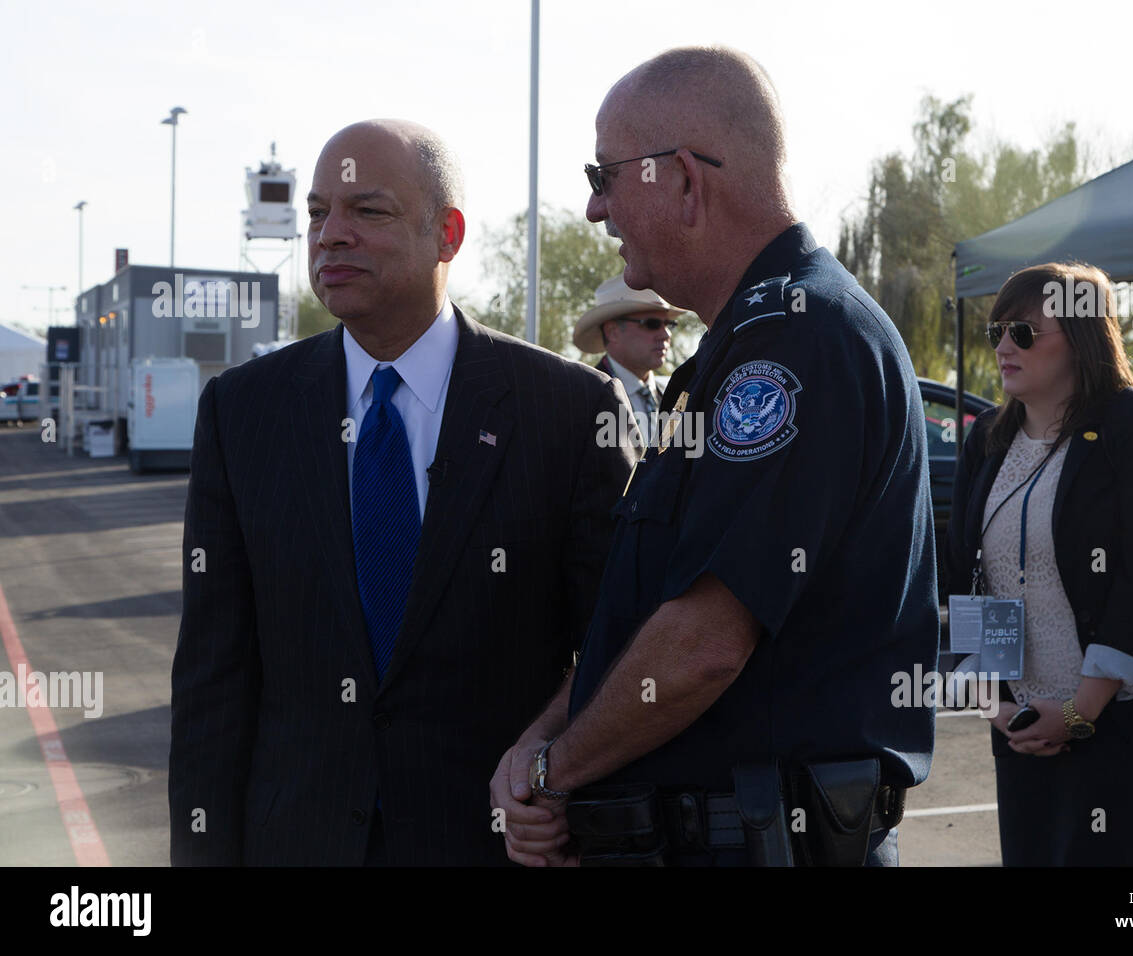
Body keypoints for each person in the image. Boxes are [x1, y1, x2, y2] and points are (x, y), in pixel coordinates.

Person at [490, 47, 939, 867]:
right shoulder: (743, 348)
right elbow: (648, 618)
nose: (596, 209)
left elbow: (702, 646)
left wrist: (554, 774)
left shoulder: (797, 340)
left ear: (685, 183)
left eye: (606, 176)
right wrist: (546, 736)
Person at [169, 119, 636, 866]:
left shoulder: (569, 413)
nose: (330, 236)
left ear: (446, 233)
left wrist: (554, 779)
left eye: (368, 211)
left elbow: (621, 647)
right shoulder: (243, 412)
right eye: (318, 214)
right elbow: (212, 682)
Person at [946, 261, 1133, 866]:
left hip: (1123, 736)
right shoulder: (987, 437)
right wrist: (996, 703)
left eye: (1025, 333)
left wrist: (1080, 712)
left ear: (1084, 339)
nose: (1005, 346)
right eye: (997, 332)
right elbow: (972, 575)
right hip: (1024, 733)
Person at [573, 276, 683, 450]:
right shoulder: (582, 401)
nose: (666, 334)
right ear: (612, 332)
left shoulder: (677, 398)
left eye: (669, 324)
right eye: (652, 324)